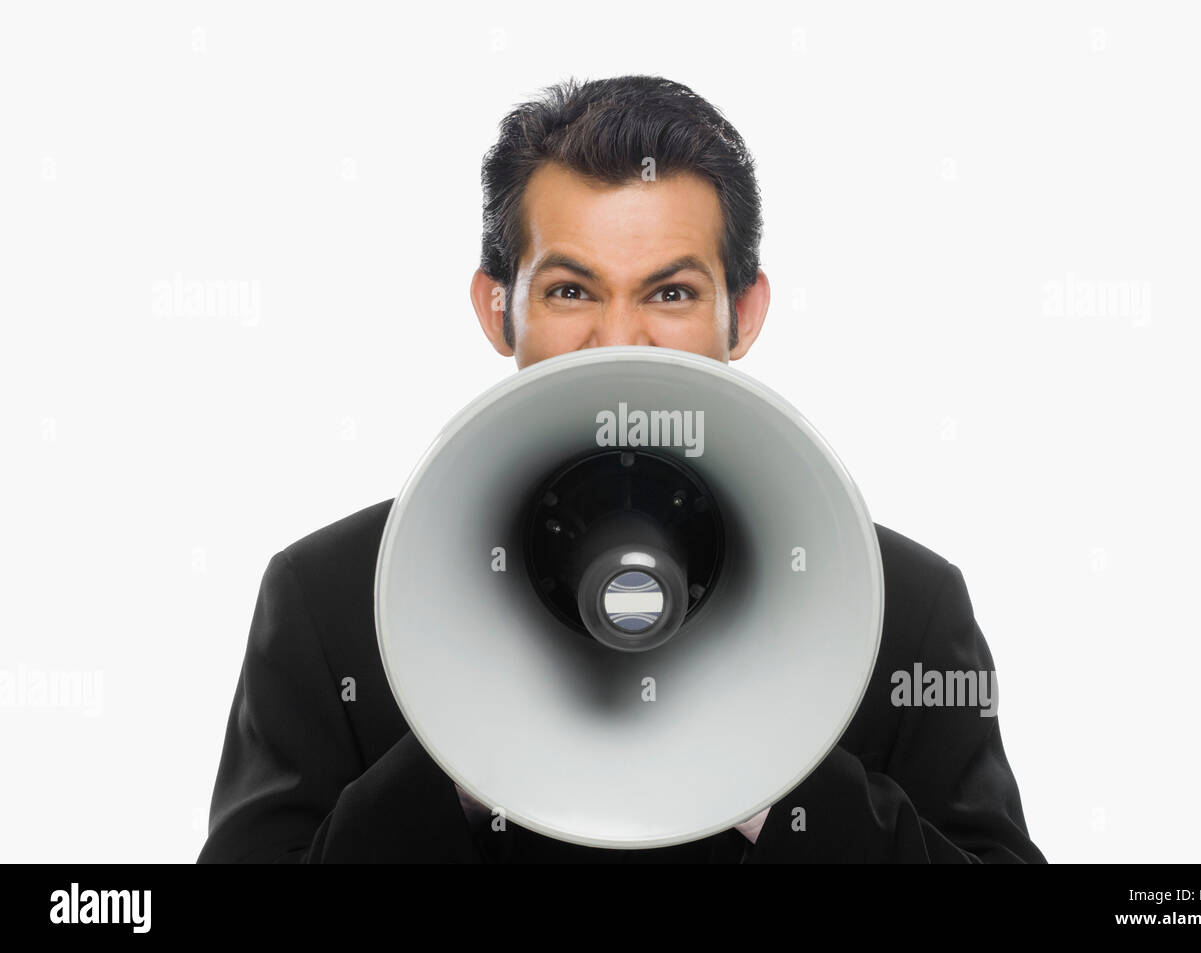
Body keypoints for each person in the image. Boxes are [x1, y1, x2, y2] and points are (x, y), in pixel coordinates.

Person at [197, 74, 1046, 864]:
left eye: (671, 293)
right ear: (497, 309)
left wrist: (770, 763)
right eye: (570, 291)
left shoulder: (904, 609)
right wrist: (467, 746)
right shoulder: (327, 601)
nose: (618, 341)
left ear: (744, 313)